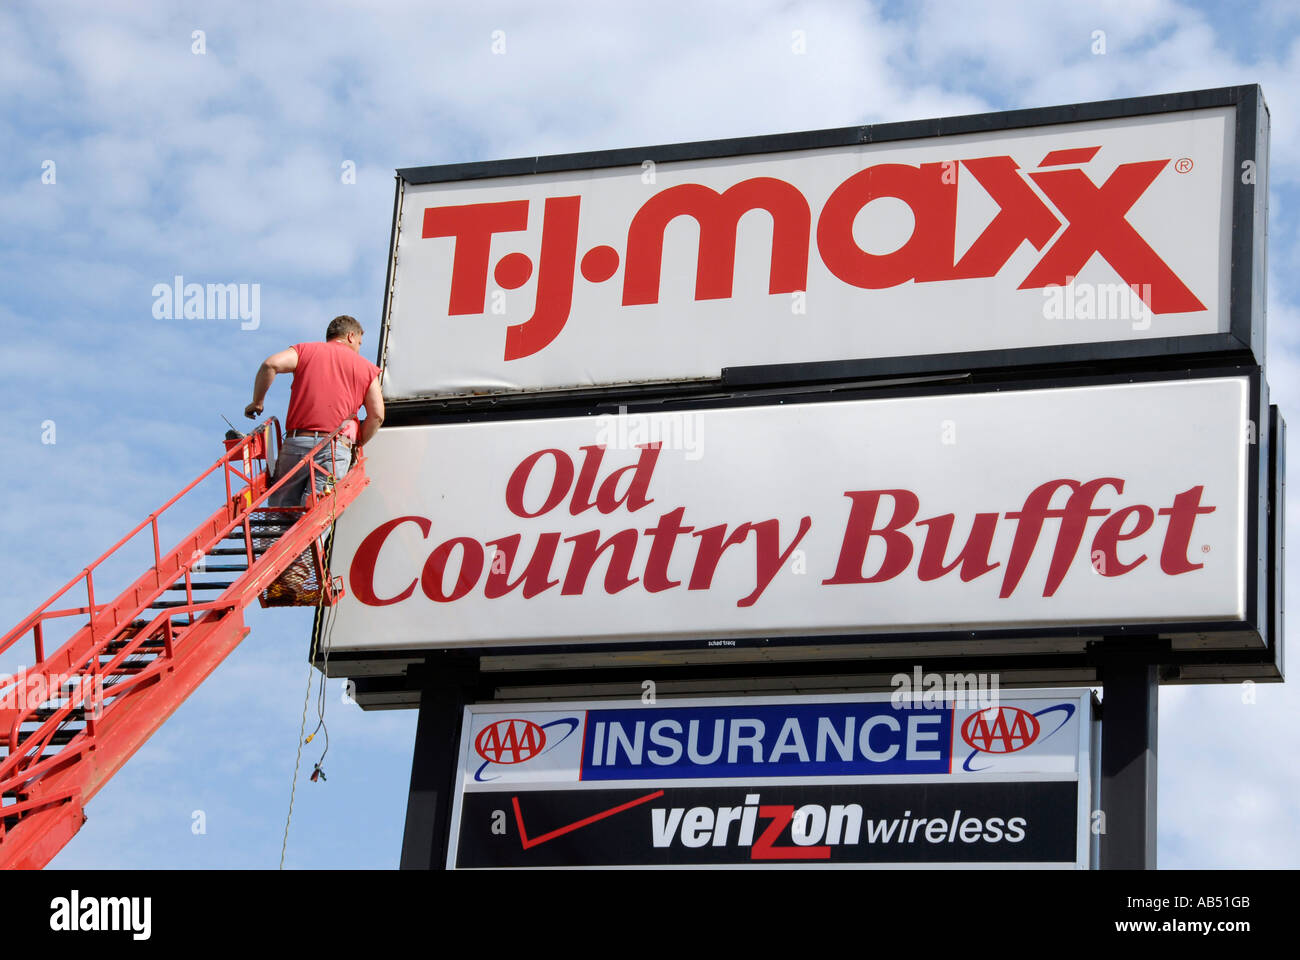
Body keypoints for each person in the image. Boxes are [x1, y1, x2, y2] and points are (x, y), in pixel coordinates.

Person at [245, 315, 384, 508]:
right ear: (351, 336)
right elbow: (377, 415)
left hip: (295, 444)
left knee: (280, 516)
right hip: (333, 450)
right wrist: (357, 442)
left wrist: (257, 402)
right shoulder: (367, 369)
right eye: (359, 343)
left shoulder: (305, 351)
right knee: (315, 516)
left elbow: (271, 364)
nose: (359, 348)